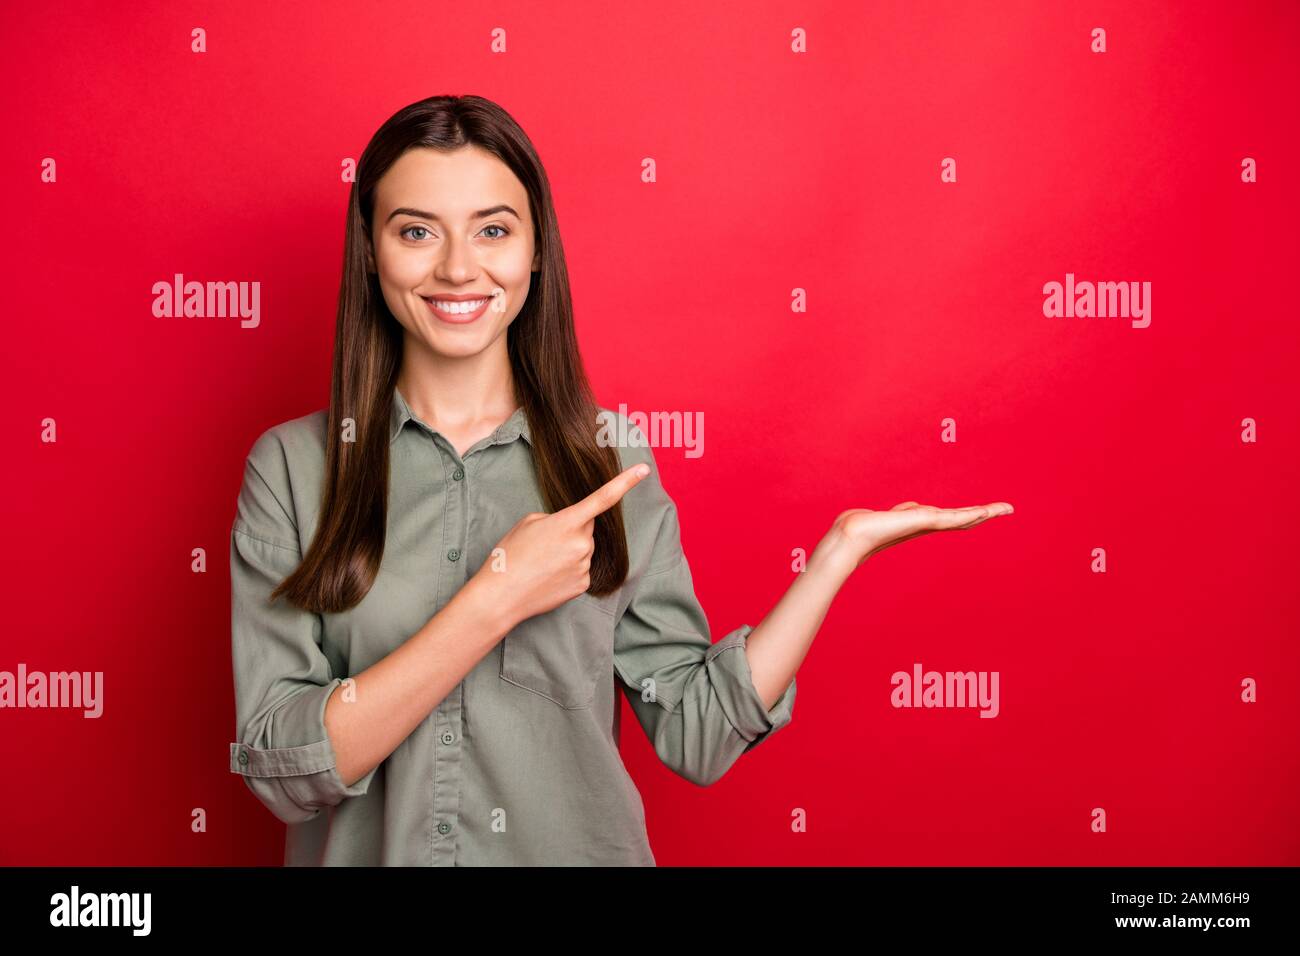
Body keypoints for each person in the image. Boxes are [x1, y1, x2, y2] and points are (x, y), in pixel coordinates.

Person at [227, 93, 1013, 866]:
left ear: (536, 250)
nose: (458, 267)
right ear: (370, 248)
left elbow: (696, 734)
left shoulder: (607, 462)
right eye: (417, 231)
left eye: (493, 230)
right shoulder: (293, 469)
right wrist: (496, 598)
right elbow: (283, 770)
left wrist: (838, 555)